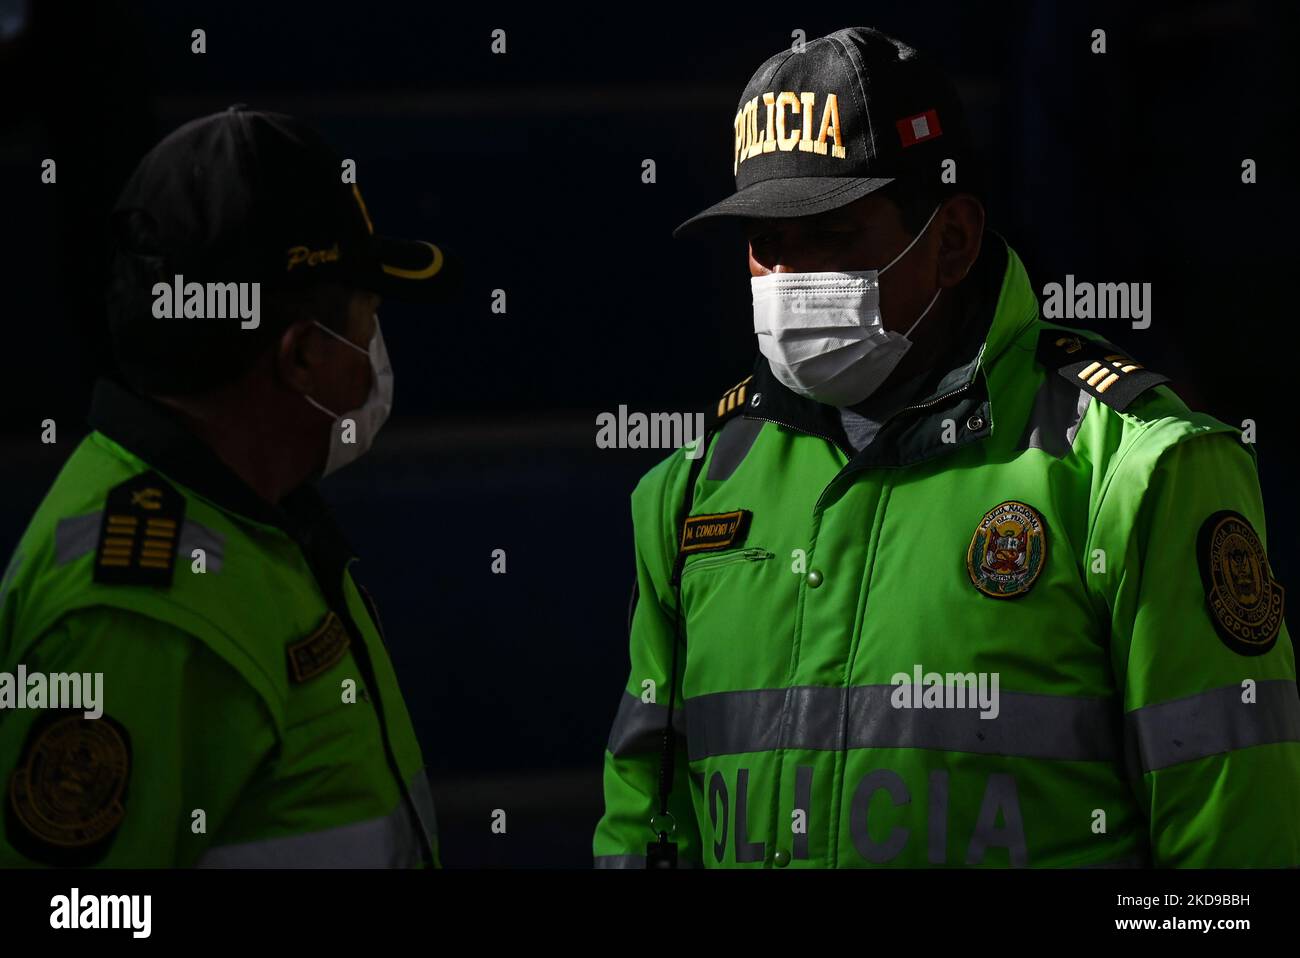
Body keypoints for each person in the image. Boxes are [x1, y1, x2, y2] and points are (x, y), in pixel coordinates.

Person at [593, 26, 1299, 868]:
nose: (788, 281)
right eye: (766, 246)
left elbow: (1230, 869)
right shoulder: (692, 491)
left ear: (953, 238)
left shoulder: (1136, 470)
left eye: (831, 236)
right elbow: (644, 825)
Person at [0, 106, 459, 867]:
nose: (378, 349)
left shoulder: (246, 517)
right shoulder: (142, 613)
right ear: (304, 357)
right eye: (369, 316)